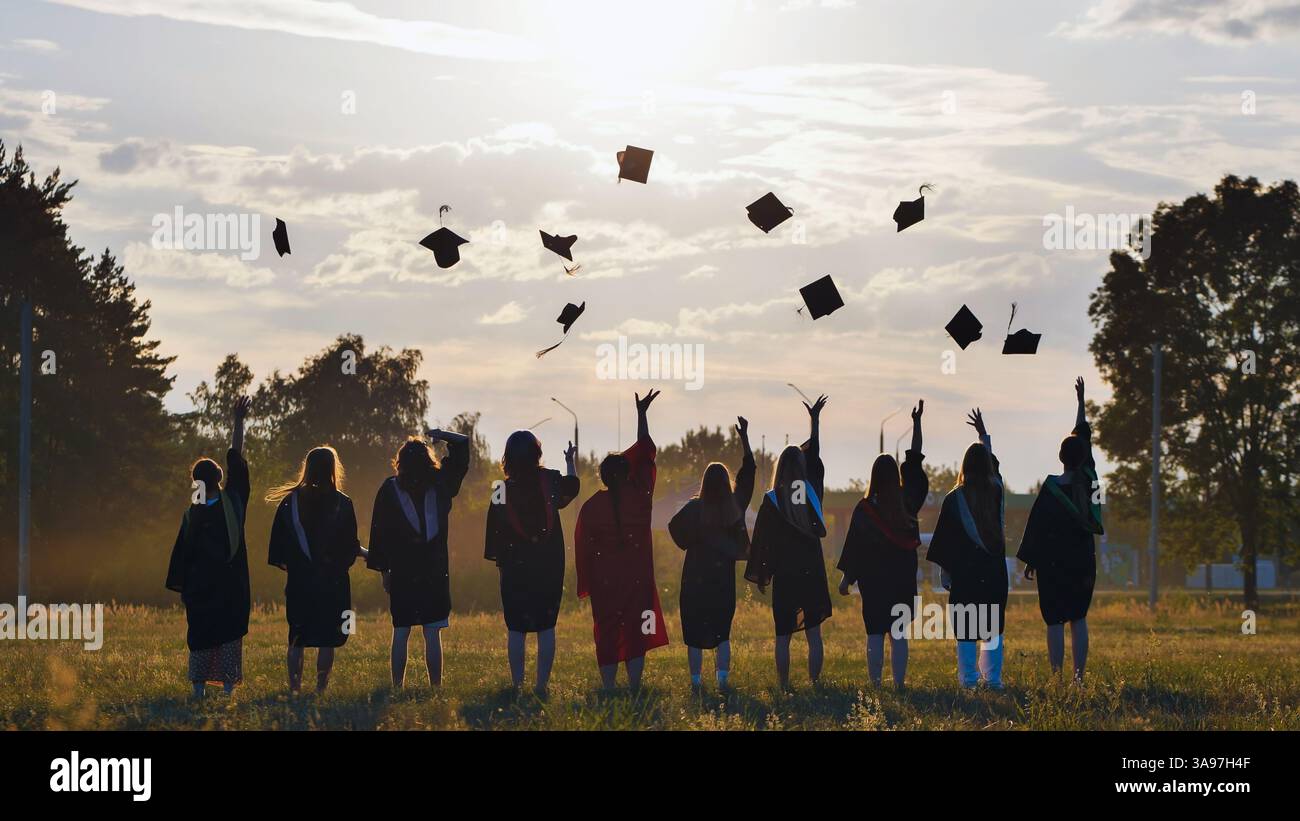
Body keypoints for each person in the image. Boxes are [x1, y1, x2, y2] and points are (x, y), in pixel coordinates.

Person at [575, 390, 668, 690]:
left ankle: (609, 688)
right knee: (637, 631)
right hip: (637, 578)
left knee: (608, 630)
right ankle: (635, 686)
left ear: (602, 477)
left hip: (605, 581)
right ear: (627, 474)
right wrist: (642, 415)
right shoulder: (641, 495)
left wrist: (586, 582)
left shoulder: (591, 507)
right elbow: (644, 453)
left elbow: (582, 548)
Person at [367, 428, 470, 688]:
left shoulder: (390, 490)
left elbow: (379, 534)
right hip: (434, 571)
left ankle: (397, 687)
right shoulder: (441, 485)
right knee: (432, 633)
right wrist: (438, 433)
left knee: (401, 631)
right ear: (429, 460)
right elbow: (462, 447)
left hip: (403, 571)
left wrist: (384, 572)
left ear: (400, 463)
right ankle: (435, 686)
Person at [836, 400, 929, 688]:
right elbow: (914, 462)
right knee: (898, 634)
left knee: (875, 633)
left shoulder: (865, 509)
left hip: (873, 582)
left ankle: (876, 685)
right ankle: (899, 685)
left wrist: (846, 579)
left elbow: (854, 548)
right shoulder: (908, 503)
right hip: (901, 579)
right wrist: (917, 424)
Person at [165, 396, 252, 699]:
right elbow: (237, 458)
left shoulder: (193, 513)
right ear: (219, 479)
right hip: (230, 585)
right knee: (229, 633)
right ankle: (228, 690)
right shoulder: (233, 503)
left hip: (202, 587)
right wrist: (238, 420)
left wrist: (185, 588)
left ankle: (199, 690)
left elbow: (182, 555)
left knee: (200, 634)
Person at [1017, 377, 1103, 682]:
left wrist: (1031, 560)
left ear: (1060, 458)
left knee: (1054, 620)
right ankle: (1079, 679)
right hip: (1082, 561)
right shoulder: (1090, 482)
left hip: (1053, 564)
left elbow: (1036, 527)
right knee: (1078, 618)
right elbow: (1084, 437)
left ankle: (1056, 678)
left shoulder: (1051, 488)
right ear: (1083, 458)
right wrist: (1081, 403)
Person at [484, 431, 580, 697]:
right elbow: (572, 486)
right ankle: (541, 687)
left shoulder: (500, 489)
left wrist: (500, 566)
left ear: (508, 457)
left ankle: (516, 686)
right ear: (536, 454)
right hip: (548, 565)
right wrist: (570, 460)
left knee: (516, 627)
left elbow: (495, 531)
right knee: (546, 626)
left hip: (515, 566)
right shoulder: (549, 481)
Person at [745, 394, 831, 689]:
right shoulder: (811, 492)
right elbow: (816, 458)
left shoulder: (772, 500)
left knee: (782, 636)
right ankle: (815, 684)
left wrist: (762, 574)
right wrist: (815, 422)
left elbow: (762, 541)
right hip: (811, 570)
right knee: (814, 634)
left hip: (785, 573)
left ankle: (783, 685)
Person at [668, 416, 756, 691]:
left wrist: (690, 542)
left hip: (694, 577)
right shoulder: (735, 506)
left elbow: (673, 528)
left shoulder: (694, 508)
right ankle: (722, 680)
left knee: (693, 634)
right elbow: (749, 473)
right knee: (722, 632)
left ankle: (696, 682)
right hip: (722, 578)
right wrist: (745, 439)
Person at [266, 445, 363, 694]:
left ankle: (295, 688)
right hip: (334, 582)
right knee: (329, 638)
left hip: (300, 581)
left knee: (296, 636)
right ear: (333, 468)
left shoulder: (291, 503)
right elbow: (350, 546)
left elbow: (278, 545)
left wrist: (298, 569)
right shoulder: (343, 502)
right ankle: (321, 688)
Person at [926, 408, 1009, 690]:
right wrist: (983, 435)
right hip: (993, 569)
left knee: (965, 629)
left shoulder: (953, 499)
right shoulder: (996, 490)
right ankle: (993, 679)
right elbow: (994, 466)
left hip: (965, 572)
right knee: (992, 627)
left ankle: (969, 680)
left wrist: (944, 574)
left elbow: (944, 541)